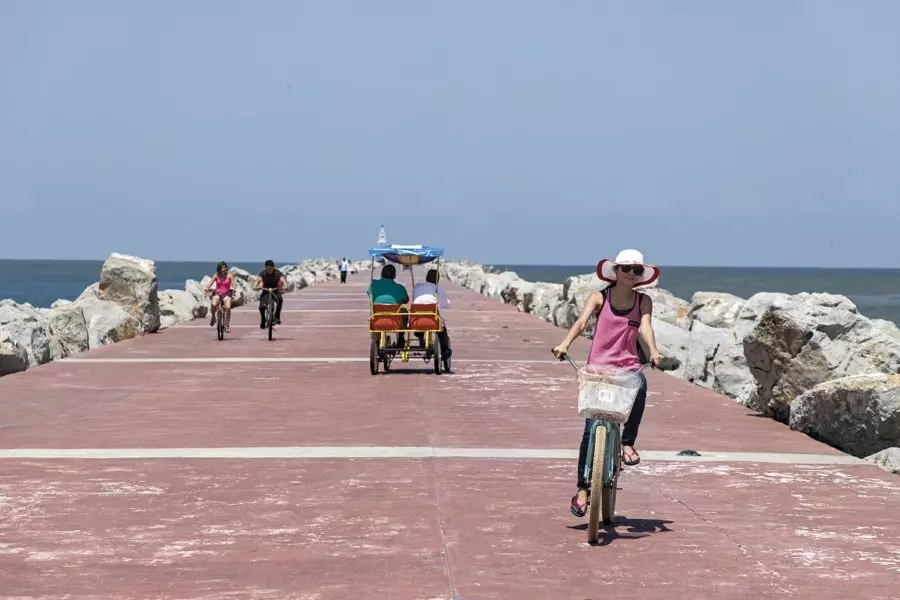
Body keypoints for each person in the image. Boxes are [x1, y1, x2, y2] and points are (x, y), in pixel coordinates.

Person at [551, 249, 664, 518]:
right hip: (599, 367)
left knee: (642, 386)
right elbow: (581, 322)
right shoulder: (599, 297)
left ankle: (627, 443)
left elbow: (646, 328)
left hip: (627, 366)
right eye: (627, 269)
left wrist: (654, 351)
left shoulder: (643, 301)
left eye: (637, 270)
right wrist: (565, 344)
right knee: (591, 429)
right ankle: (582, 490)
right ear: (615, 271)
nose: (631, 274)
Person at [367, 263, 410, 347]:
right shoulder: (400, 288)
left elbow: (369, 293)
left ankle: (376, 341)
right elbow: (406, 300)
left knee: (374, 309)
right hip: (394, 321)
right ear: (394, 275)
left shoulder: (373, 284)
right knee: (404, 310)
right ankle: (401, 335)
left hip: (376, 319)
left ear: (382, 273)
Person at [412, 268, 451, 357]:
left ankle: (420, 337)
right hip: (433, 320)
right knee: (442, 328)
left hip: (416, 321)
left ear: (426, 278)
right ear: (437, 280)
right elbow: (447, 304)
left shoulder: (417, 287)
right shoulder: (438, 289)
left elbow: (414, 299)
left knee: (418, 315)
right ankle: (445, 349)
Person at [253, 260, 287, 328]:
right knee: (261, 307)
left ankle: (277, 316)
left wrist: (285, 286)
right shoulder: (263, 273)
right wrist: (255, 286)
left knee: (280, 300)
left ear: (273, 267)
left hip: (275, 290)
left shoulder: (277, 273)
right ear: (265, 268)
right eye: (267, 268)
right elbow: (258, 280)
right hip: (266, 290)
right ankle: (263, 319)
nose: (269, 270)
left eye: (270, 268)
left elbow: (283, 279)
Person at [205, 261, 235, 332]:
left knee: (228, 307)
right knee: (213, 304)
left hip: (226, 294)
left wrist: (234, 289)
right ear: (219, 268)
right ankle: (213, 317)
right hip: (217, 294)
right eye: (222, 268)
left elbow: (234, 284)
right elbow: (210, 284)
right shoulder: (216, 275)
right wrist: (207, 288)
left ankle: (227, 324)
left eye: (224, 267)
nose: (223, 269)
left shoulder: (229, 275)